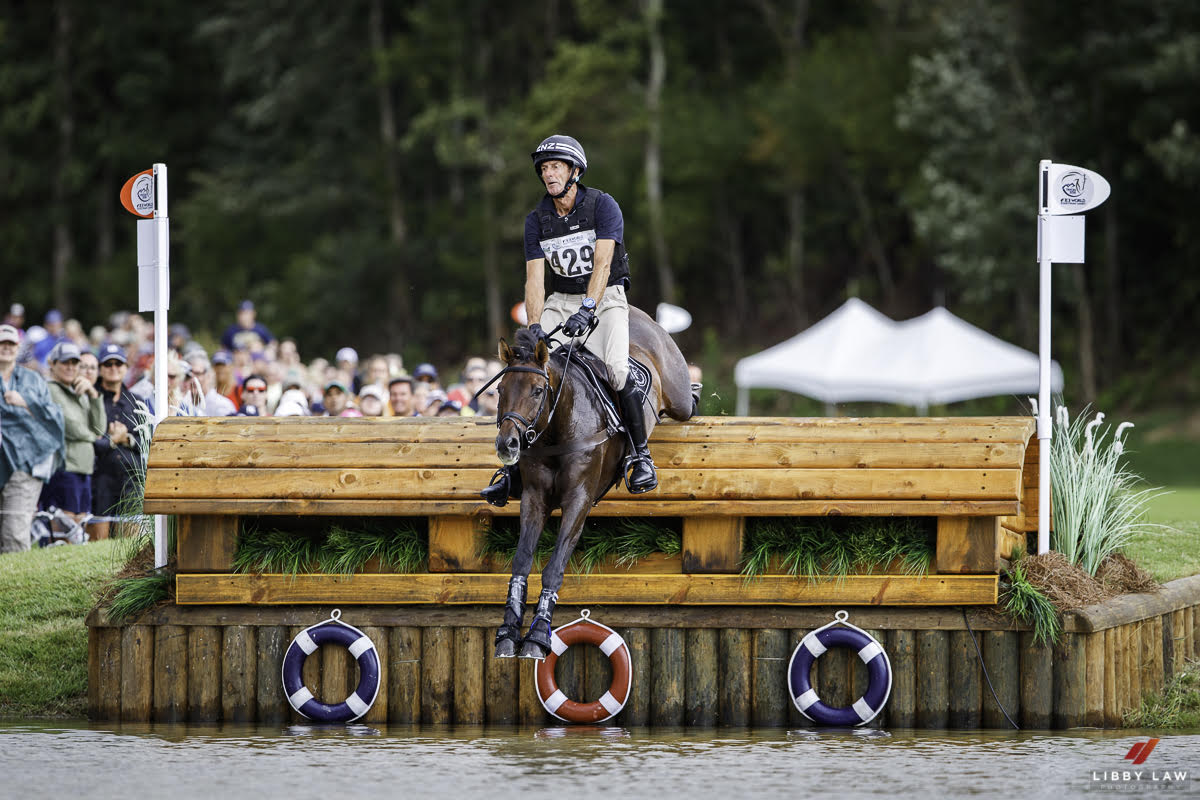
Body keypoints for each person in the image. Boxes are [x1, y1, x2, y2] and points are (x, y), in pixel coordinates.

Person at [482, 134, 657, 506]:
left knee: (616, 370)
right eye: (544, 168)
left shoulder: (603, 206)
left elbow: (603, 264)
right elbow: (534, 279)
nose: (549, 174)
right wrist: (534, 326)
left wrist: (589, 308)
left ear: (575, 170)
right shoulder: (537, 220)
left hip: (605, 296)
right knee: (533, 373)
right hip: (561, 299)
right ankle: (513, 470)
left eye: (556, 166)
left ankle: (641, 455)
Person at [0, 324, 64, 552]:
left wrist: (26, 402)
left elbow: (53, 418)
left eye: (10, 344)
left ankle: (16, 585)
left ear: (18, 348)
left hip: (26, 464)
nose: (6, 348)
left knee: (14, 531)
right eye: (2, 344)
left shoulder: (33, 380)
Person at [43, 341, 105, 526]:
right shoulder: (50, 389)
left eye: (74, 363)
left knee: (79, 528)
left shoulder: (79, 391)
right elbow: (69, 426)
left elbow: (100, 428)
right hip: (64, 468)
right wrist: (93, 438)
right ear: (52, 364)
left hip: (84, 468)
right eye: (64, 363)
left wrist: (93, 395)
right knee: (64, 528)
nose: (70, 367)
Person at [91, 344, 143, 539]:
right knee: (98, 540)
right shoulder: (92, 397)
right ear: (101, 368)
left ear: (126, 367)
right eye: (108, 364)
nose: (113, 368)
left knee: (129, 541)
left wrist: (126, 438)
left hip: (131, 476)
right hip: (101, 476)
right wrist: (112, 439)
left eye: (118, 363)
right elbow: (88, 438)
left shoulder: (136, 401)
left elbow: (146, 439)